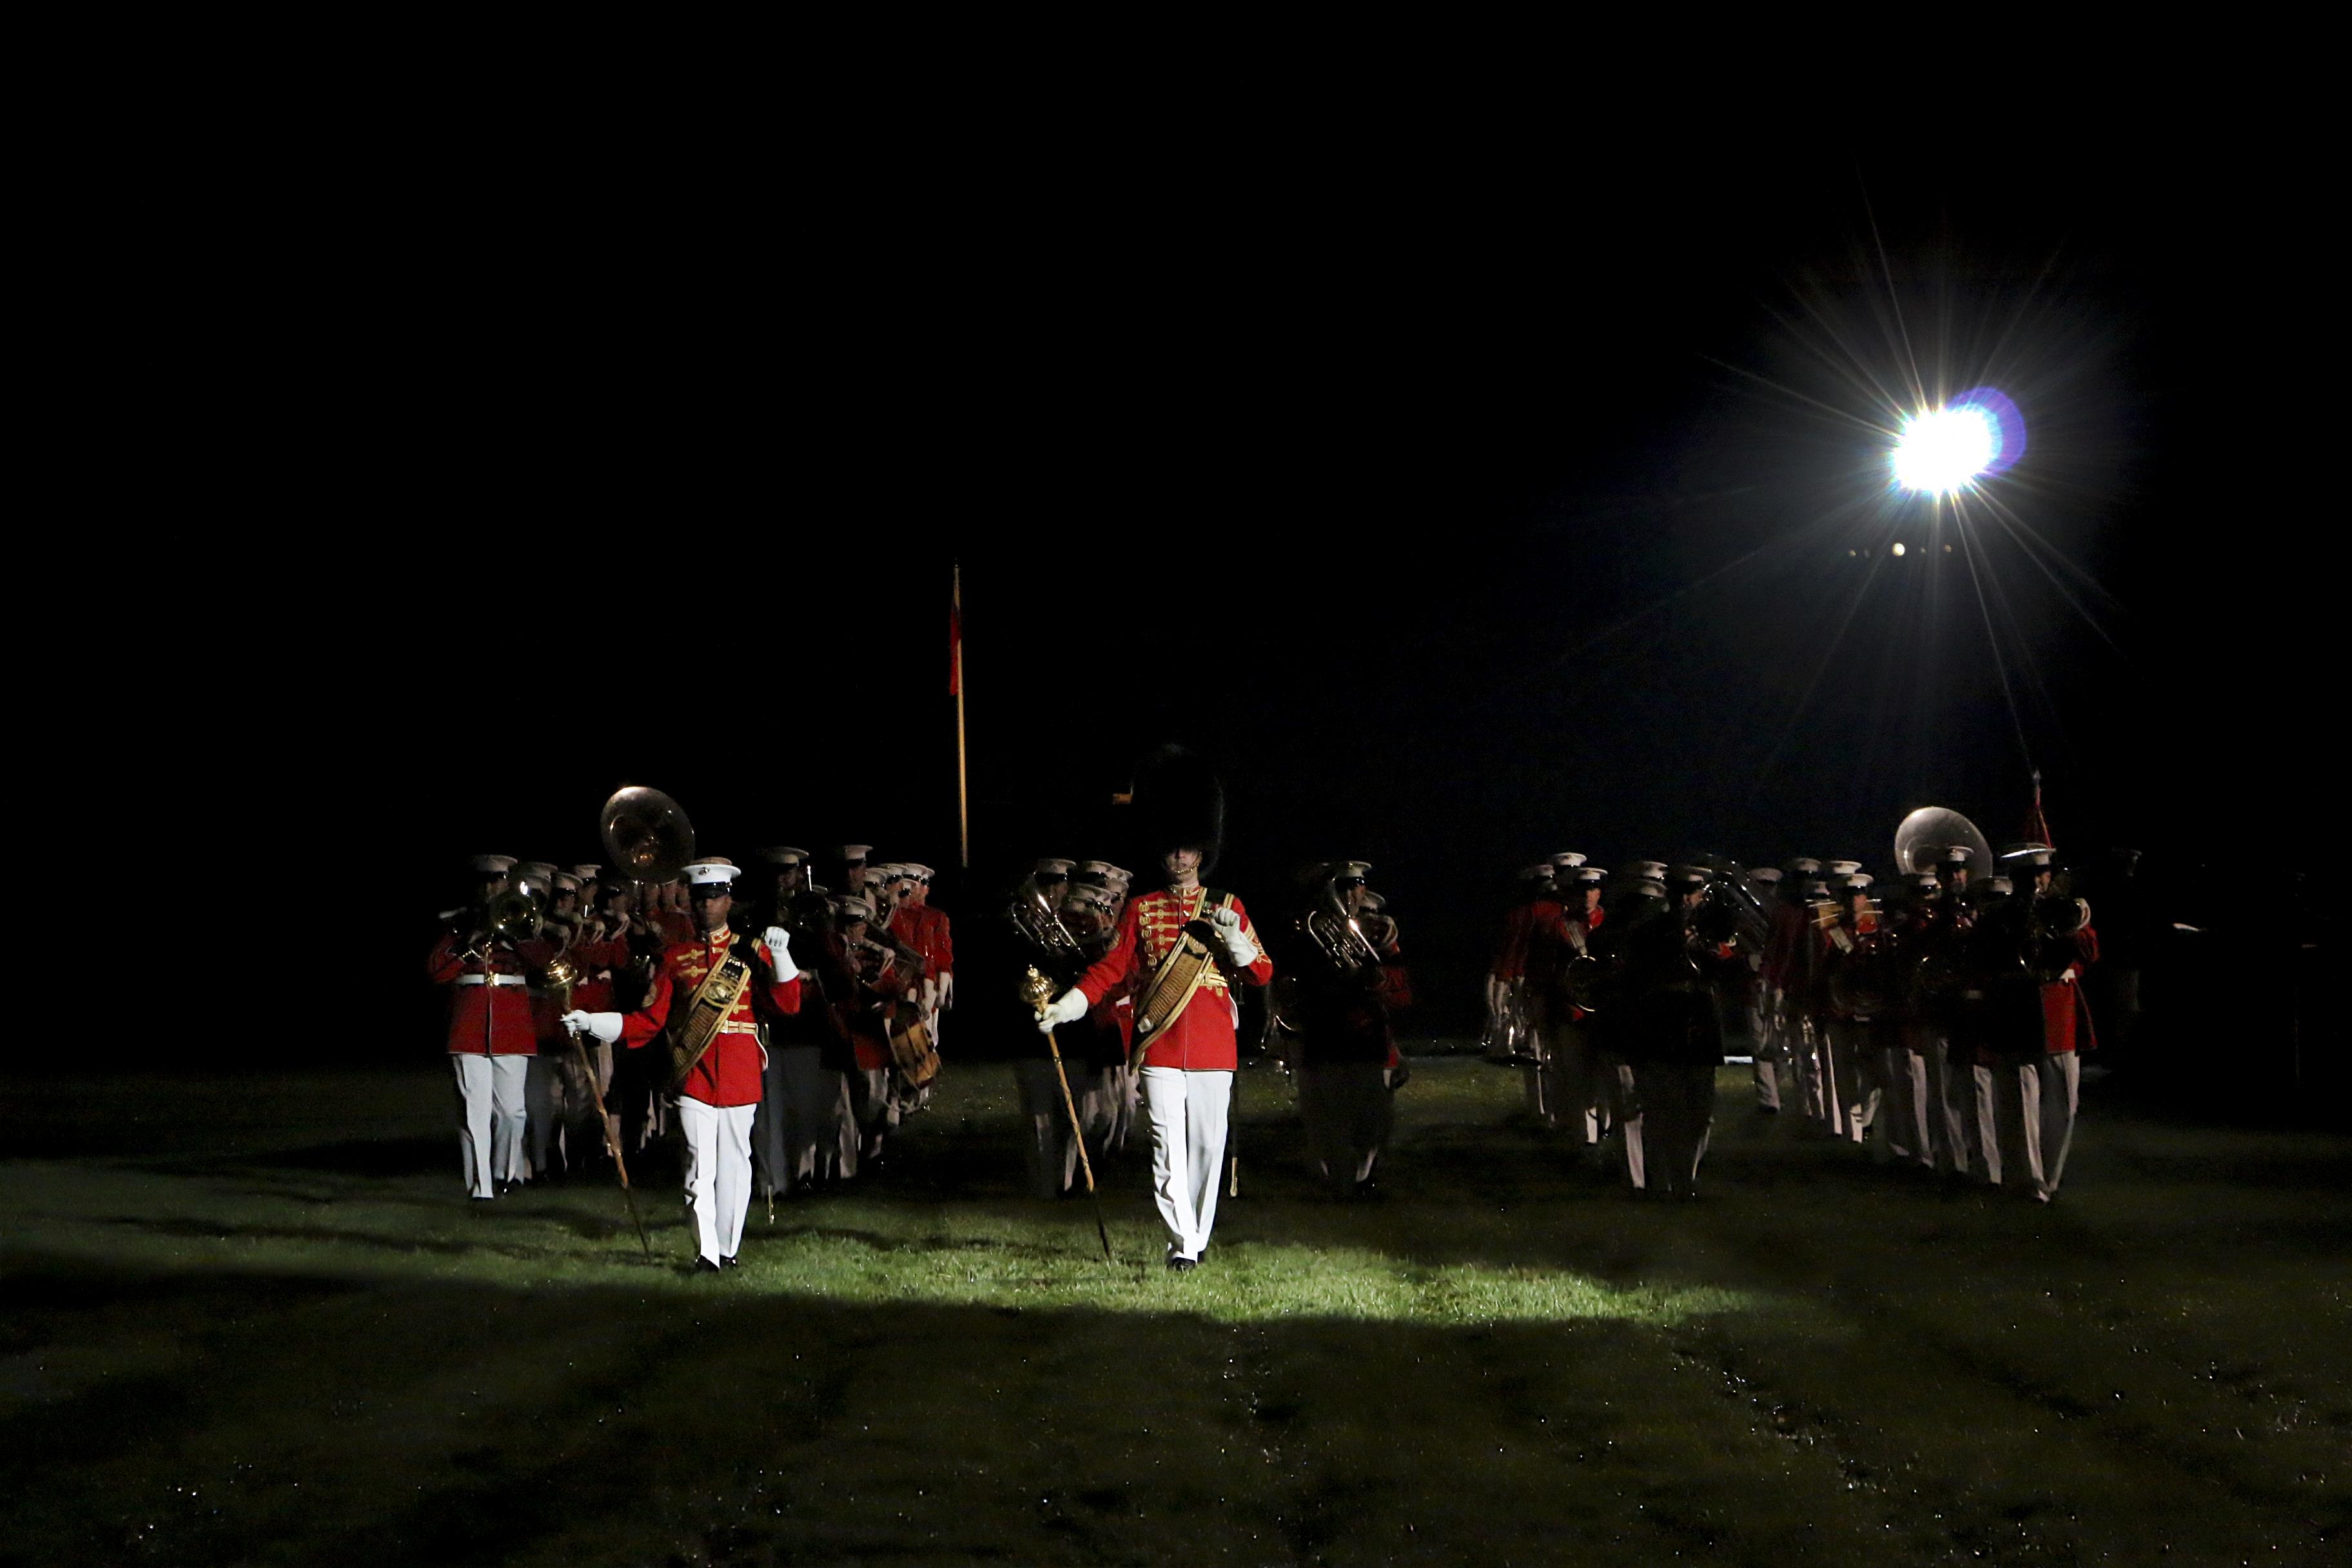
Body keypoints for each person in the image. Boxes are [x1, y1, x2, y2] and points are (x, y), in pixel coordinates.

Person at [1035, 757, 1272, 1271]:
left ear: (1203, 847)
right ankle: (1182, 1245)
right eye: (1171, 843)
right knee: (1166, 1147)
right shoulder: (1141, 907)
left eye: (1188, 844)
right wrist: (1069, 1005)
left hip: (1213, 1044)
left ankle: (1197, 1233)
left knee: (1208, 1148)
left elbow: (1262, 975)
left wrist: (1237, 943)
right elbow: (1109, 971)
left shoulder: (1228, 904)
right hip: (1159, 1044)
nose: (1180, 854)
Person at [563, 858, 803, 1271]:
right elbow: (649, 1021)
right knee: (697, 1166)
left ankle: (728, 1249)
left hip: (740, 1071)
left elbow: (788, 1004)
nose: (706, 906)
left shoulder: (750, 950)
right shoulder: (676, 957)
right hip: (694, 1074)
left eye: (714, 898)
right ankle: (707, 1253)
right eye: (699, 899)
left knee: (734, 1166)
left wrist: (781, 959)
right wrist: (593, 1022)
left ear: (729, 900)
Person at [426, 855, 533, 1200]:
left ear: (507, 883)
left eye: (498, 880)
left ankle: (505, 1174)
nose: (491, 888)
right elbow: (437, 971)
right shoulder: (458, 924)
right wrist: (467, 943)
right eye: (486, 882)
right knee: (475, 1112)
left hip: (512, 1024)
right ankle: (481, 1187)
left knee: (514, 1112)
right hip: (470, 1024)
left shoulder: (522, 921)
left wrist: (520, 936)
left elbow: (546, 963)